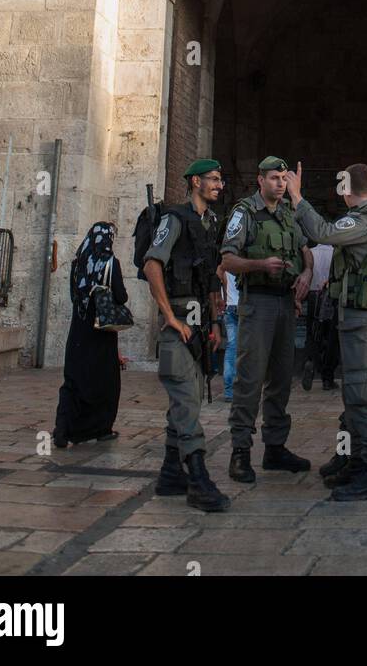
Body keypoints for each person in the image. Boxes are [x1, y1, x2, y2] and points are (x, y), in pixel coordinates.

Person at [283, 160, 367, 502]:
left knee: (365, 397)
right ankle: (357, 463)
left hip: (363, 318)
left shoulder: (361, 220)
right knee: (358, 395)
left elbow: (323, 234)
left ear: (345, 189)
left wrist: (297, 197)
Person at [220, 155, 314, 484]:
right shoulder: (244, 213)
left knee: (281, 379)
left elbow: (306, 249)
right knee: (249, 380)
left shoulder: (290, 213)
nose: (280, 183)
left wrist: (307, 273)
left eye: (285, 178)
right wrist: (260, 265)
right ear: (260, 180)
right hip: (256, 303)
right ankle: (240, 453)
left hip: (285, 305)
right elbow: (228, 261)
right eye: (274, 178)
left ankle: (275, 447)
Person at [143, 158, 229, 512]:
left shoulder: (208, 223)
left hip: (198, 327)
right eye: (213, 179)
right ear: (194, 181)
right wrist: (169, 316)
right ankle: (197, 478)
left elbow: (208, 279)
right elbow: (152, 265)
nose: (219, 185)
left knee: (185, 399)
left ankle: (170, 473)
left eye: (221, 180)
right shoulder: (174, 219)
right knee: (186, 402)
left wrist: (215, 323)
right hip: (178, 324)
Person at [53, 222, 125, 448]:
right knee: (105, 381)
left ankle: (63, 430)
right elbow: (121, 296)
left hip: (79, 330)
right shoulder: (111, 263)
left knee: (74, 379)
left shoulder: (78, 263)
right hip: (100, 332)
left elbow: (74, 296)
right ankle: (101, 428)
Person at [302, 243, 338, 392]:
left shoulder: (310, 252)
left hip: (313, 296)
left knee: (313, 334)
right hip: (330, 296)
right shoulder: (335, 253)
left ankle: (311, 361)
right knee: (332, 338)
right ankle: (327, 377)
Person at [217, 262, 240, 402]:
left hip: (230, 306)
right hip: (244, 306)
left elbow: (218, 276)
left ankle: (229, 391)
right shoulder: (245, 260)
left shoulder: (225, 262)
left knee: (231, 347)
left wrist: (224, 297)